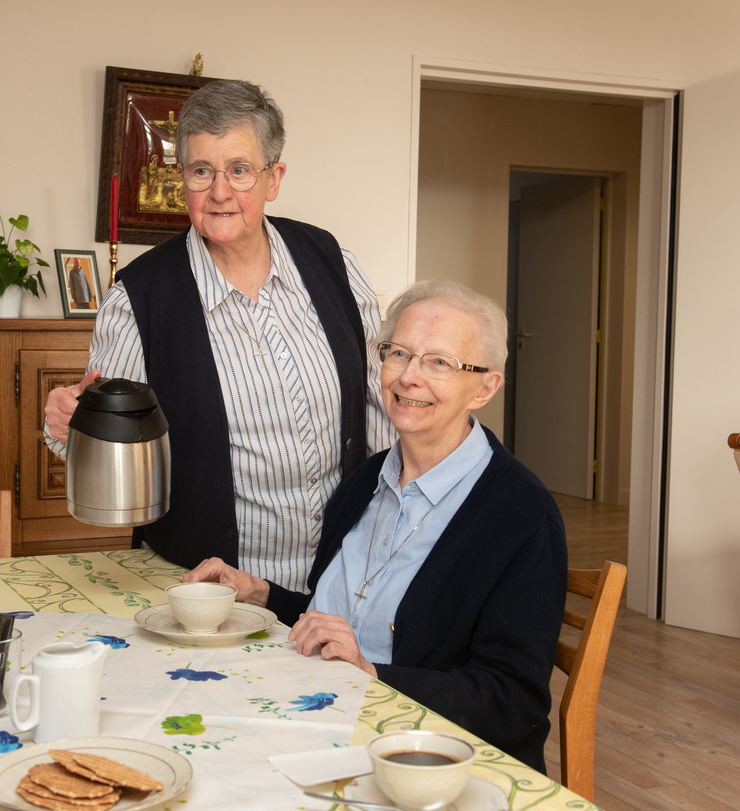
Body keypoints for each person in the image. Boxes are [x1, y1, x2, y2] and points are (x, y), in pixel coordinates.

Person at [184, 280, 568, 773]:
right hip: (323, 718)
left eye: (440, 363)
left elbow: (512, 702)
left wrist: (373, 675)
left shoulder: (521, 517)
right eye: (399, 353)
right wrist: (260, 594)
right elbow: (344, 623)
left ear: (485, 388)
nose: (409, 377)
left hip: (430, 765)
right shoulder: (366, 479)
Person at [45, 79, 392, 594]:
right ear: (182, 177)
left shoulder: (332, 262)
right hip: (206, 588)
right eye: (201, 170)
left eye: (240, 170)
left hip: (342, 577)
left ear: (273, 179)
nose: (220, 192)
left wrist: (389, 536)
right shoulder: (139, 298)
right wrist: (67, 426)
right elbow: (111, 439)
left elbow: (380, 406)